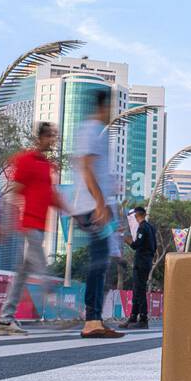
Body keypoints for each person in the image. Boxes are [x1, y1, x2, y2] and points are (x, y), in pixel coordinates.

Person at [0, 122, 73, 336]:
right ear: (40, 137)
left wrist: (71, 210)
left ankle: (5, 318)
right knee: (42, 269)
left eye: (54, 136)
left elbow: (50, 195)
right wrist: (6, 224)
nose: (53, 140)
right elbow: (16, 191)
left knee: (22, 275)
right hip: (29, 225)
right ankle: (58, 313)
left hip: (40, 226)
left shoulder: (46, 165)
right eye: (49, 136)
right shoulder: (26, 160)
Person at [69, 88, 124, 339]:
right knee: (99, 262)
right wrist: (100, 203)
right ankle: (92, 320)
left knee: (104, 260)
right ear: (104, 106)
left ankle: (94, 318)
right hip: (94, 207)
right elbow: (86, 168)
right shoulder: (92, 130)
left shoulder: (95, 131)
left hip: (97, 206)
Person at [122, 206, 157, 328]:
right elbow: (154, 246)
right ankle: (133, 317)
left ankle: (143, 318)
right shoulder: (151, 228)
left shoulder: (142, 228)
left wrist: (127, 240)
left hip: (141, 262)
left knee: (140, 290)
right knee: (136, 289)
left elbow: (136, 245)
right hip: (146, 261)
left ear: (137, 215)